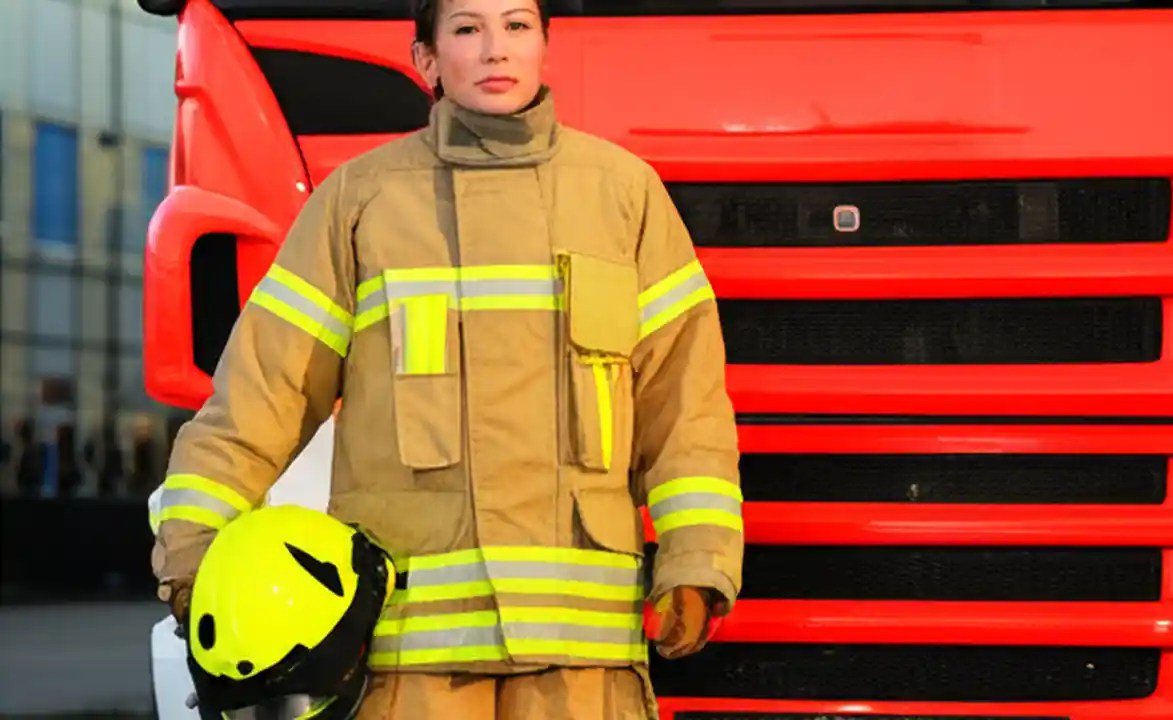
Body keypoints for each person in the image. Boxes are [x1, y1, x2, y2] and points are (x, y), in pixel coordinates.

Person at [148, 0, 743, 717]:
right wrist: (191, 551)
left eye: (517, 26)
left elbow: (685, 405)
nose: (496, 49)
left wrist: (697, 558)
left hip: (581, 667)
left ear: (545, 46)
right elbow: (260, 393)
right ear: (427, 60)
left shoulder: (624, 195)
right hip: (410, 667)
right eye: (468, 29)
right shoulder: (360, 202)